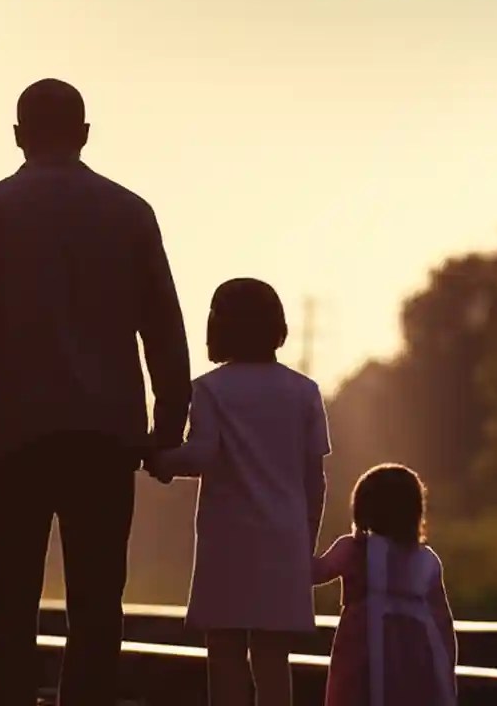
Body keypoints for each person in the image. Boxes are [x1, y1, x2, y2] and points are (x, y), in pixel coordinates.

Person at [0, 78, 191, 705]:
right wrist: (167, 432)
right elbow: (164, 326)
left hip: (15, 438)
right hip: (105, 438)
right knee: (98, 600)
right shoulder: (130, 212)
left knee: (9, 599)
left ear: (19, 137)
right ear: (84, 134)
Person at [149, 277, 331, 706]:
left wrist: (158, 458)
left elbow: (201, 456)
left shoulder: (211, 389)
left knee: (226, 654)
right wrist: (306, 541)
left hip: (228, 541)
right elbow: (314, 479)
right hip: (284, 539)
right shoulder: (304, 392)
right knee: (272, 659)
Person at [311, 464, 457, 706]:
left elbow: (314, 573)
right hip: (416, 662)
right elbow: (443, 626)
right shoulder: (427, 561)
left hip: (361, 658)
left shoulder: (353, 551)